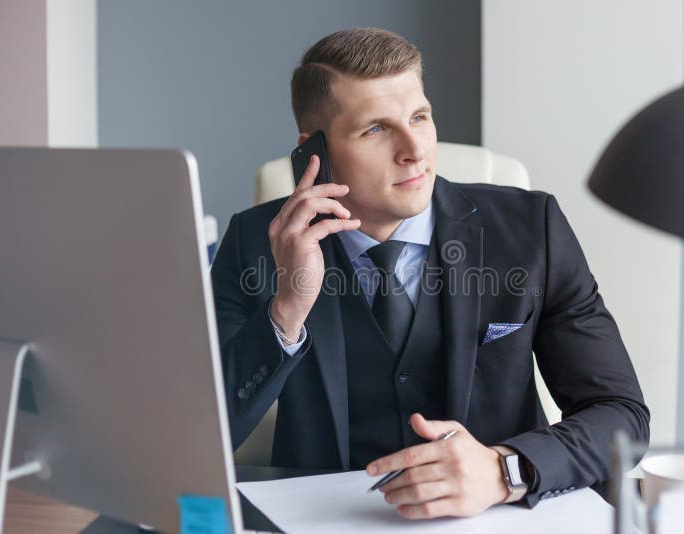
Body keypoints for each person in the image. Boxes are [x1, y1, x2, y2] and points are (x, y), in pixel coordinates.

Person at [211, 27, 649, 520]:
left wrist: (504, 470)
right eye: (376, 129)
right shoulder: (255, 243)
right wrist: (287, 308)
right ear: (316, 152)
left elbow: (621, 416)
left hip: (497, 518)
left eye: (419, 117)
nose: (414, 150)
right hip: (322, 520)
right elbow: (201, 436)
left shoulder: (531, 229)